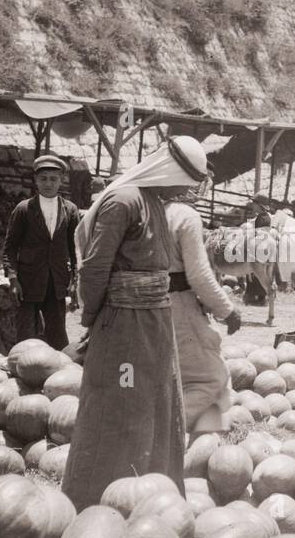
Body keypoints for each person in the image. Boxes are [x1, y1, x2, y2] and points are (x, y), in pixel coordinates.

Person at [61, 137, 209, 512]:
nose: (186, 192)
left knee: (156, 404)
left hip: (156, 323)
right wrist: (91, 318)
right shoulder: (124, 201)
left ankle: (153, 495)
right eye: (186, 183)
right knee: (122, 404)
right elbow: (94, 268)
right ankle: (100, 498)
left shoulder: (156, 204)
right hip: (123, 323)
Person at [164, 197, 242, 436]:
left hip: (146, 302)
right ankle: (168, 435)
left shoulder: (145, 207)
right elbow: (199, 275)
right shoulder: (183, 214)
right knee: (210, 379)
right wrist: (227, 310)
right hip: (178, 301)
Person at [2, 155, 81, 350]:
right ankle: (22, 373)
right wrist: (13, 279)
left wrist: (75, 280)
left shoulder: (70, 210)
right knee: (25, 336)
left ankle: (56, 375)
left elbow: (75, 249)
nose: (48, 183)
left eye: (53, 179)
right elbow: (10, 247)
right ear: (36, 180)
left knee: (58, 335)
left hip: (56, 282)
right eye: (43, 178)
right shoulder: (24, 209)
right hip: (28, 282)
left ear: (61, 180)